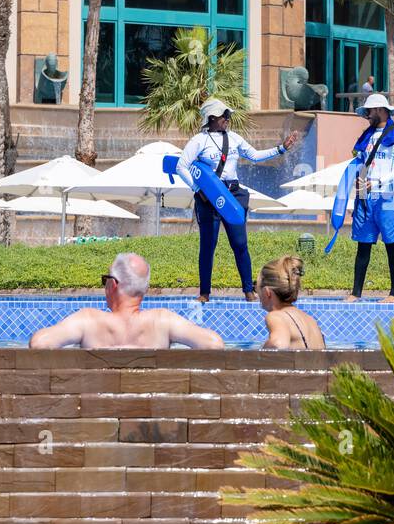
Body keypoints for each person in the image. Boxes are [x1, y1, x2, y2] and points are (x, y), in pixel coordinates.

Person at [177, 98, 300, 302]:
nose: (228, 118)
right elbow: (181, 165)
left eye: (228, 115)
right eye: (224, 115)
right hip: (209, 197)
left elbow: (254, 155)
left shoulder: (233, 138)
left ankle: (248, 290)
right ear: (212, 117)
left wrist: (281, 149)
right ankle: (204, 293)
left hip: (233, 194)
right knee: (208, 245)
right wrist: (198, 189)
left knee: (240, 244)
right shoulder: (199, 140)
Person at [28, 253, 223, 350]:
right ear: (145, 289)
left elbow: (39, 344)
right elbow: (215, 344)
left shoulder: (88, 321)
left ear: (113, 284)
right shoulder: (162, 322)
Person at [346, 93, 394, 303]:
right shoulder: (366, 136)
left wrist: (379, 181)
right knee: (362, 245)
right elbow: (362, 163)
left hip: (389, 196)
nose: (366, 114)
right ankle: (355, 292)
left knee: (392, 245)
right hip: (365, 196)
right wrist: (359, 182)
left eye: (369, 111)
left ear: (381, 110)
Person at [258, 255, 325, 350]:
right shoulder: (310, 320)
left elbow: (277, 344)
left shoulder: (276, 316)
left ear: (267, 292)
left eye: (255, 287)